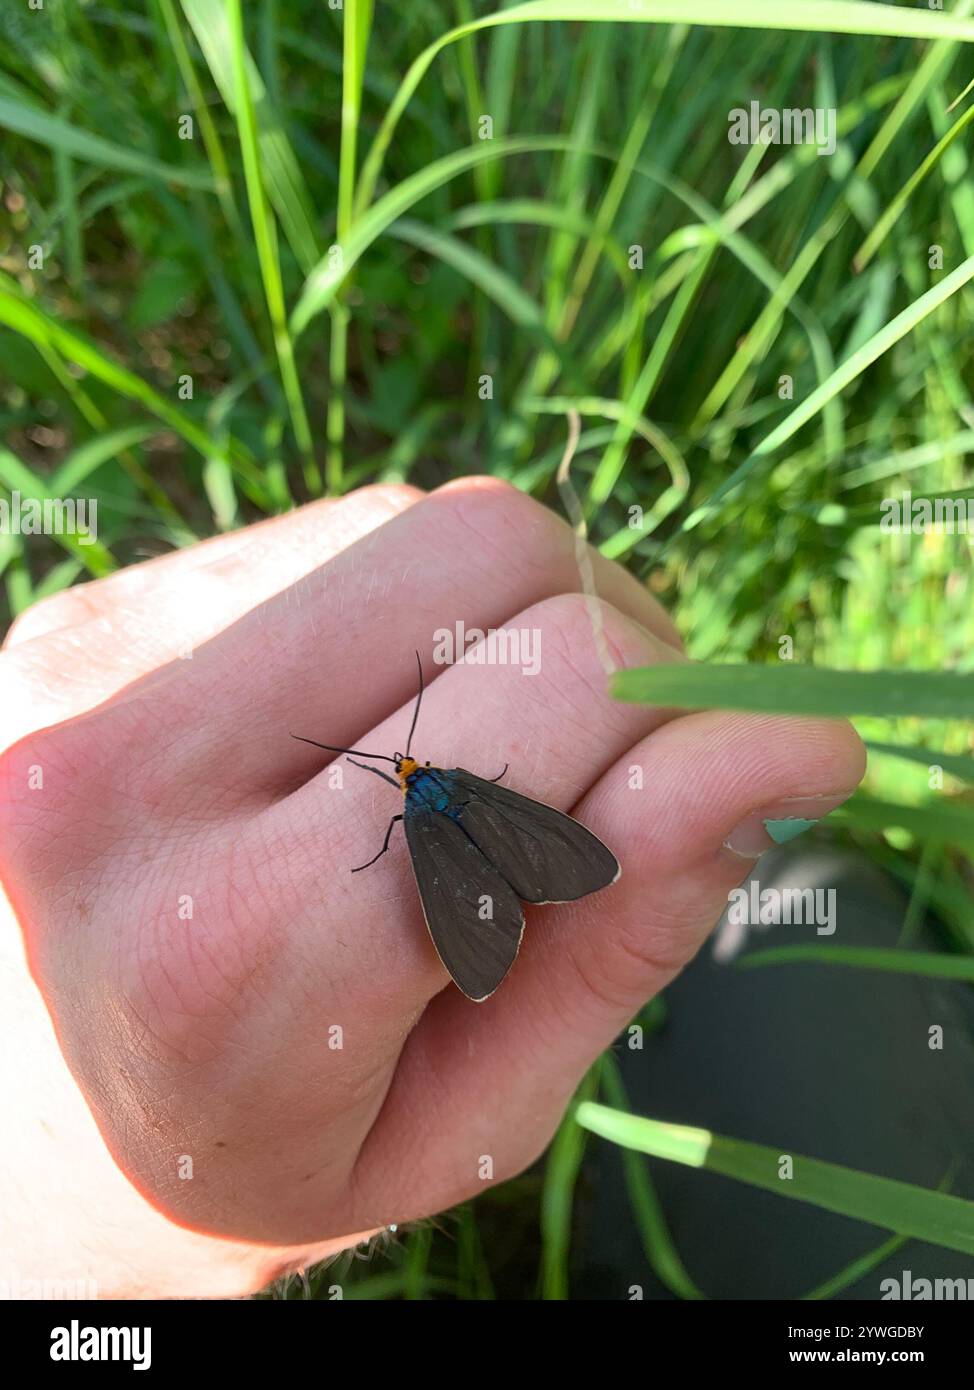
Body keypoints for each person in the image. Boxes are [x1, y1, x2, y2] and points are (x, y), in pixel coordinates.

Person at [0, 478, 864, 1299]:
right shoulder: (434, 787)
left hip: (453, 842)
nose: (406, 764)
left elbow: (408, 812)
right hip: (489, 822)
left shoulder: (411, 806)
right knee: (822, 896)